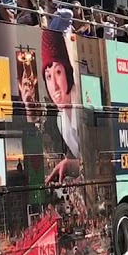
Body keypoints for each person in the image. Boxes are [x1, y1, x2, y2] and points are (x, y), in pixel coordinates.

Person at [41, 30, 82, 185]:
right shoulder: (61, 120)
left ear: (68, 73)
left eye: (58, 72)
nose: (55, 86)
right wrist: (70, 164)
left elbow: (106, 162)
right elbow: (83, 163)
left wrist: (72, 164)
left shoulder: (84, 110)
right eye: (48, 76)